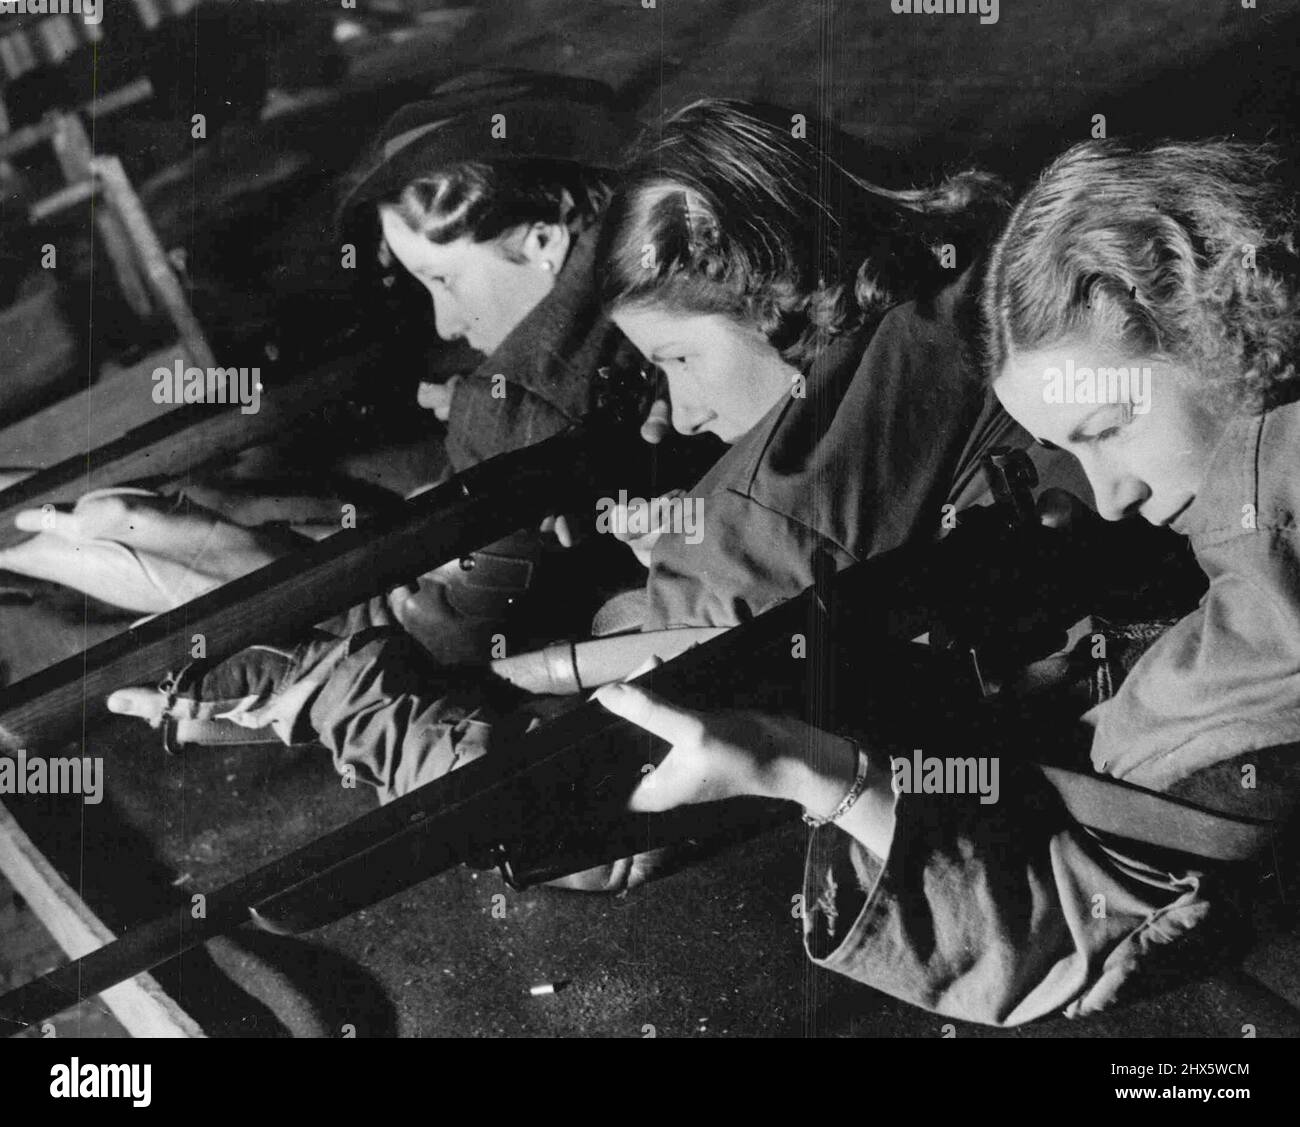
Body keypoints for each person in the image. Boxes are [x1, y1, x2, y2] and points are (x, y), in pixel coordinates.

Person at [107, 100, 1039, 888]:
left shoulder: (776, 518)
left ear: (777, 295)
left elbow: (569, 816)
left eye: (677, 360)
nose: (677, 408)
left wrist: (330, 694)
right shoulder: (948, 284)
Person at [597, 138, 1300, 1022]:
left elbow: (1070, 925)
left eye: (1109, 424)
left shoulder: (1275, 582)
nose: (1112, 496)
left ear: (1207, 322)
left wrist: (810, 770)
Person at [0, 70, 651, 681]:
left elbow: (439, 638)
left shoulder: (509, 408)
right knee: (313, 522)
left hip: (505, 634)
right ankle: (141, 537)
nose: (446, 323)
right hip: (604, 580)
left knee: (308, 575)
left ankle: (167, 546)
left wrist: (488, 421)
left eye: (444, 280)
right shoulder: (655, 263)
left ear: (542, 242)